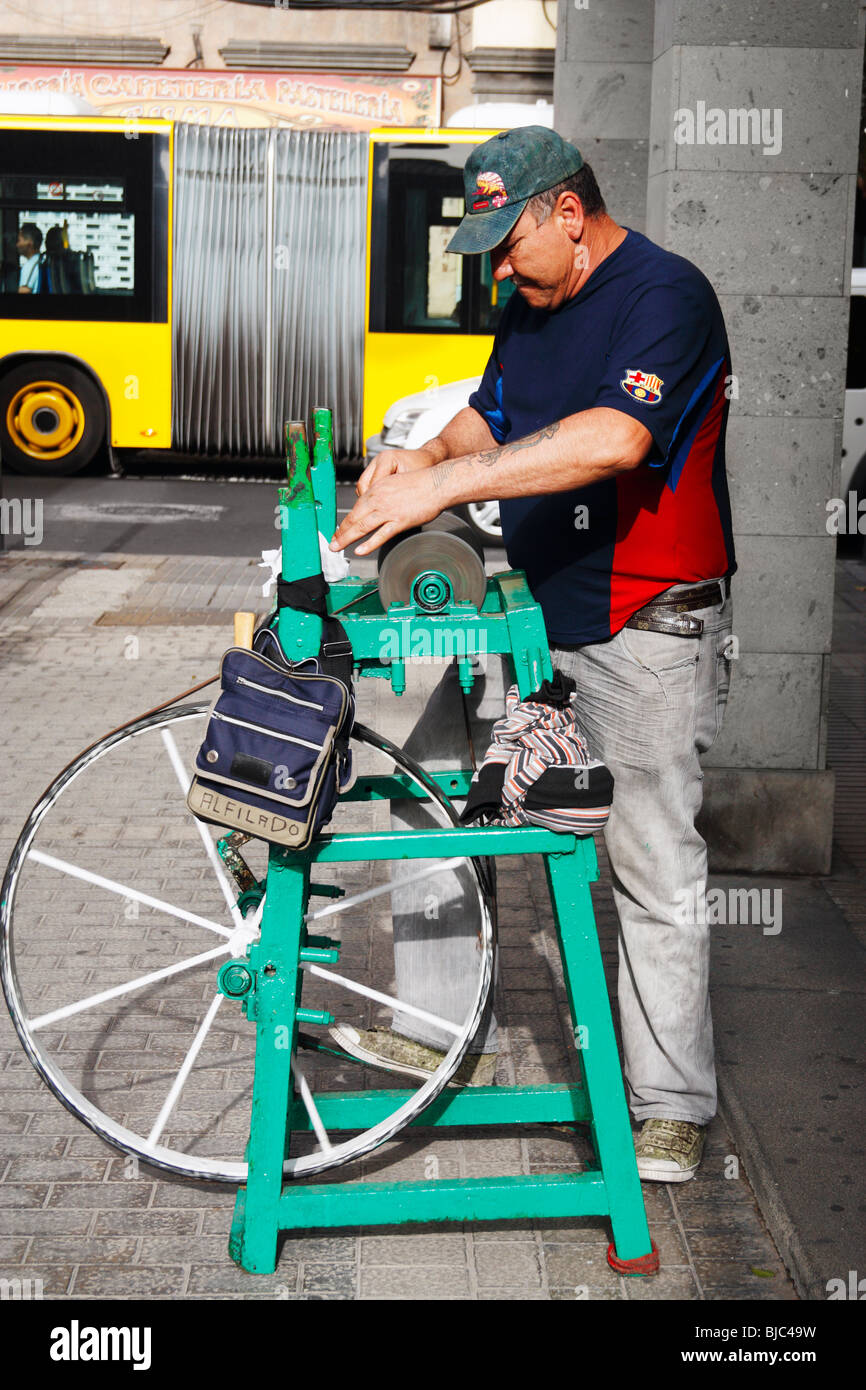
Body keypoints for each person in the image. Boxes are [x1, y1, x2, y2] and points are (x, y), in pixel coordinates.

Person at [329, 126, 736, 1182]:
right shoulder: (532, 301)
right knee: (425, 787)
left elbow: (613, 439)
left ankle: (668, 1105)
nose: (499, 271)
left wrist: (443, 489)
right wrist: (412, 460)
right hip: (535, 609)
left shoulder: (665, 295)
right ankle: (431, 1037)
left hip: (645, 622)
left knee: (647, 859)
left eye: (509, 247)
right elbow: (491, 420)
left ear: (568, 212)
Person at [16, 222, 42, 294]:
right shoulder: (40, 261)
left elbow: (24, 291)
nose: (17, 245)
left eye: (19, 240)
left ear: (30, 243)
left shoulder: (30, 266)